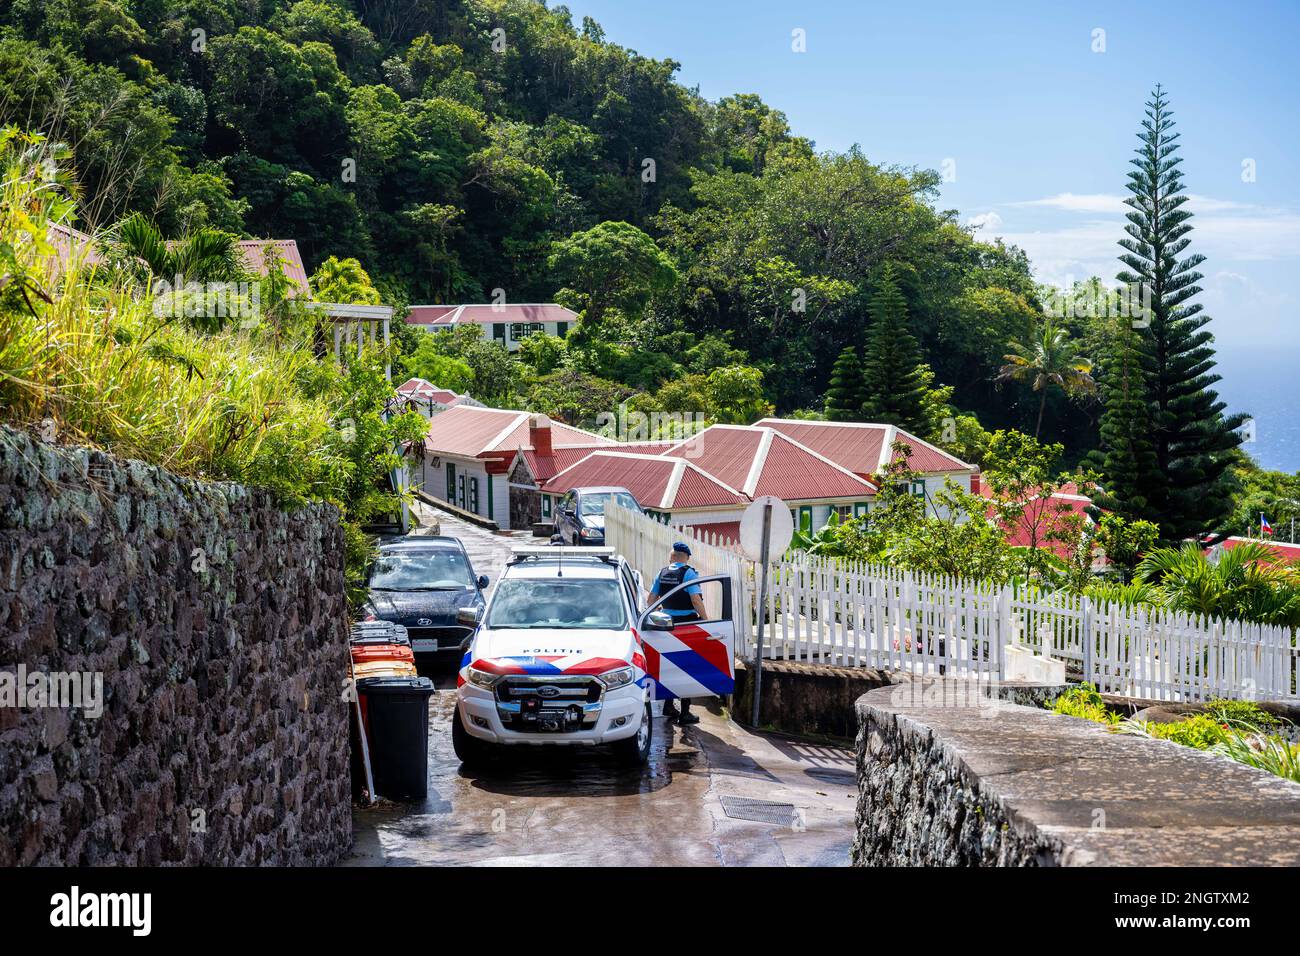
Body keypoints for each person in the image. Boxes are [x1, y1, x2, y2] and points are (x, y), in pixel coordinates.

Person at [649, 542, 708, 725]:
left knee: (670, 666)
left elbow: (651, 599)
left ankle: (668, 705)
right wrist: (706, 622)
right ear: (685, 557)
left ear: (674, 556)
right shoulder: (689, 573)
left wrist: (652, 616)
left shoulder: (662, 572)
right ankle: (685, 712)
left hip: (666, 625)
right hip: (687, 626)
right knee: (687, 667)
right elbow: (695, 600)